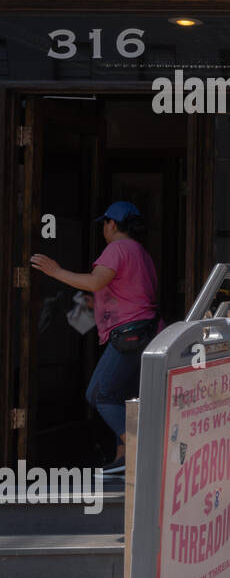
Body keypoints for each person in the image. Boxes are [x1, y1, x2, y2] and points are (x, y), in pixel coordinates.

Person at [30, 202, 161, 474]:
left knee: (99, 394)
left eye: (104, 223)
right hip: (147, 333)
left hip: (130, 334)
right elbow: (127, 293)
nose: (103, 228)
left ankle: (138, 450)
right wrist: (94, 305)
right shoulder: (141, 253)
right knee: (122, 397)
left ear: (112, 224)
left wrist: (55, 271)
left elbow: (94, 282)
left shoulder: (117, 248)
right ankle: (122, 460)